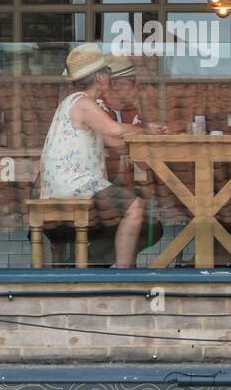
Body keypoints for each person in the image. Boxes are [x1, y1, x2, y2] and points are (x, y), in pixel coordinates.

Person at [38, 43, 165, 268]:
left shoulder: (78, 103)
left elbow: (114, 141)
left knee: (125, 209)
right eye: (107, 71)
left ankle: (116, 264)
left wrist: (143, 134)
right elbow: (114, 130)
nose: (109, 75)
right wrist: (145, 130)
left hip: (71, 183)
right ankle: (123, 270)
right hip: (75, 184)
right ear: (99, 78)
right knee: (134, 207)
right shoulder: (82, 103)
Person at [90, 55, 163, 263]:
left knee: (153, 227)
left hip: (117, 191)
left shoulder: (131, 112)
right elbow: (117, 142)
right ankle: (101, 266)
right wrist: (145, 132)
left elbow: (141, 158)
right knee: (139, 218)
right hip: (92, 188)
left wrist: (153, 133)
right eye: (132, 82)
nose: (137, 87)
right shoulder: (97, 108)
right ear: (115, 84)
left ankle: (104, 265)